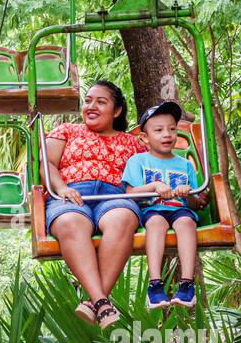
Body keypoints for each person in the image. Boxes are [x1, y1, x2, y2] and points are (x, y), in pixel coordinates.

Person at [44, 80, 144, 329]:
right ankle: (102, 302)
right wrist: (62, 188)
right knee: (69, 221)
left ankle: (94, 303)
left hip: (113, 196)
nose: (91, 106)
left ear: (117, 110)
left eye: (101, 102)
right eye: (88, 100)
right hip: (71, 193)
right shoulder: (67, 130)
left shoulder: (132, 143)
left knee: (123, 218)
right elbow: (47, 164)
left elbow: (150, 170)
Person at [122, 101, 208, 309]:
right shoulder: (138, 161)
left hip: (180, 209)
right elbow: (130, 194)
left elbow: (196, 204)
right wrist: (154, 185)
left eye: (172, 129)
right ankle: (155, 285)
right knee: (157, 223)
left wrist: (188, 194)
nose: (167, 134)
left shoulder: (185, 165)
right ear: (144, 138)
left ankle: (187, 285)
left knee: (187, 223)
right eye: (159, 130)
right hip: (152, 210)